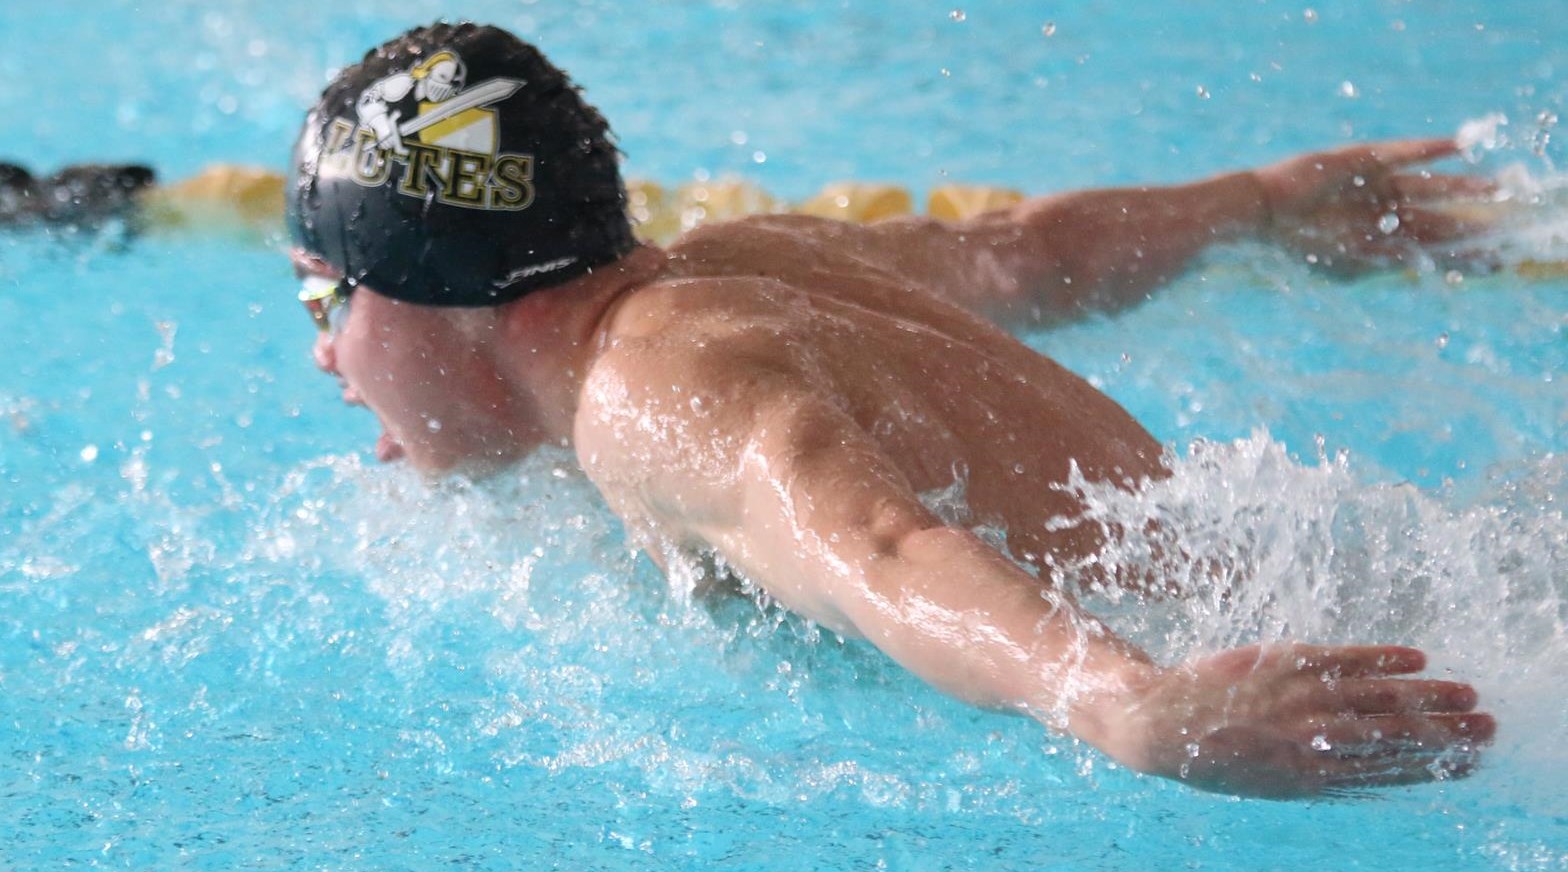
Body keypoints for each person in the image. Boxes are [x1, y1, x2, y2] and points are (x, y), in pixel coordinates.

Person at [286, 22, 1498, 798]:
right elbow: (1023, 255)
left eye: (324, 297)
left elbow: (882, 548)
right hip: (1392, 584)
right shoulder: (741, 259)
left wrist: (1132, 708)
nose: (327, 356)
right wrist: (1260, 202)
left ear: (435, 287)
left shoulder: (647, 399)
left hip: (1318, 677)